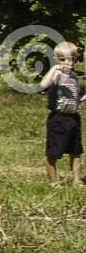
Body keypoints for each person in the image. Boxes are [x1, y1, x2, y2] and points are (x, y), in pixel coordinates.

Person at [41, 41, 82, 188]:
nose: (68, 62)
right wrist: (54, 69)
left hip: (73, 118)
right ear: (57, 60)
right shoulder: (57, 75)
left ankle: (77, 180)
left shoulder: (74, 78)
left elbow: (75, 99)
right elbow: (43, 84)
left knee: (76, 150)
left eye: (72, 58)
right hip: (58, 118)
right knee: (54, 151)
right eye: (63, 59)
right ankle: (54, 182)